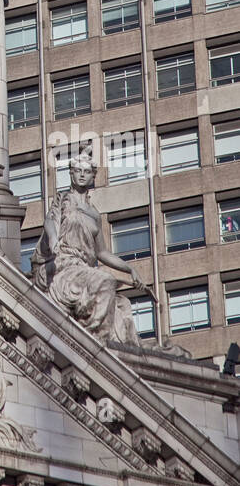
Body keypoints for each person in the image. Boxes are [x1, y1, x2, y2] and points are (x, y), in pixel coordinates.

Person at [31, 146, 146, 346]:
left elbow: (102, 252)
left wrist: (130, 269)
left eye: (87, 171)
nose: (82, 175)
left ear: (93, 176)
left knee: (123, 305)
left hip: (83, 267)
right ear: (71, 174)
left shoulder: (94, 214)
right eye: (78, 171)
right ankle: (97, 339)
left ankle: (110, 344)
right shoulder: (63, 199)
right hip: (64, 264)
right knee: (106, 281)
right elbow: (50, 221)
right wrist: (53, 239)